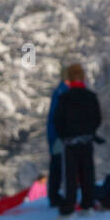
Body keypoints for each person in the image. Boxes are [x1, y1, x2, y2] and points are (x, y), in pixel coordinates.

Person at [54, 62, 102, 216]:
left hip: (70, 142)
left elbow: (58, 120)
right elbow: (97, 118)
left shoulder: (64, 98)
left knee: (71, 175)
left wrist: (63, 135)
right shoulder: (90, 96)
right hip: (87, 140)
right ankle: (88, 202)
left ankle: (70, 204)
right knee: (87, 172)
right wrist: (91, 131)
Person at [46, 76, 69, 207]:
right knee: (58, 166)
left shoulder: (59, 92)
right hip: (58, 138)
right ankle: (55, 197)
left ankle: (54, 196)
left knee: (57, 166)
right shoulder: (62, 93)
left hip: (56, 137)